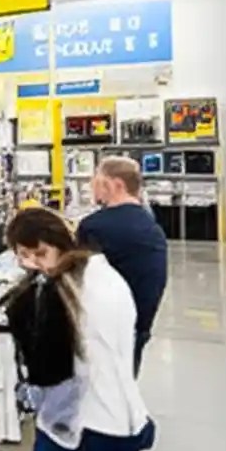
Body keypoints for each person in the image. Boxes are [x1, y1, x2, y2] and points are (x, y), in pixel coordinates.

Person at [4, 207, 151, 451]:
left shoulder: (60, 293)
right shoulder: (105, 276)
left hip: (80, 427)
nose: (32, 264)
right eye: (23, 256)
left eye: (39, 253)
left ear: (59, 243)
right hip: (118, 421)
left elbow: (47, 369)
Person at [77, 157, 168, 376]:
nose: (92, 188)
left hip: (106, 329)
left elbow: (75, 276)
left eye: (97, 182)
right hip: (140, 322)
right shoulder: (149, 221)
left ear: (115, 185)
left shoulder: (95, 226)